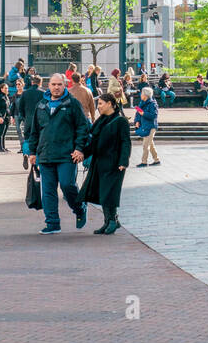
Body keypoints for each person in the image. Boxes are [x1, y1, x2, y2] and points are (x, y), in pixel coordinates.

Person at [26, 73, 90, 234]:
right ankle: (52, 223)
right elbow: (34, 131)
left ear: (65, 85)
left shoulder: (72, 104)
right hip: (45, 155)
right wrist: (32, 152)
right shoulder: (41, 105)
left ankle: (79, 208)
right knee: (47, 191)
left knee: (67, 185)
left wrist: (79, 148)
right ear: (48, 86)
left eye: (59, 84)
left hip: (67, 155)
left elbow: (82, 127)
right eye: (53, 84)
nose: (56, 87)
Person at [78, 93, 132, 234]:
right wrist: (83, 153)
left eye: (101, 103)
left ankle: (112, 221)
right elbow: (93, 142)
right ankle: (109, 221)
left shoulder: (120, 121)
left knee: (109, 193)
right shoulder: (101, 120)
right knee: (103, 192)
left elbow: (126, 142)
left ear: (110, 104)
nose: (98, 107)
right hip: (99, 162)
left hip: (114, 163)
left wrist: (123, 161)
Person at [19, 75, 44, 170]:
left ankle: (25, 153)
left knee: (27, 139)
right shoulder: (43, 93)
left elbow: (20, 108)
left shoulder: (25, 93)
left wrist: (25, 118)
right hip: (40, 121)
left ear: (32, 82)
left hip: (28, 121)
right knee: (38, 141)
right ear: (40, 83)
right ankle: (36, 164)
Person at [133, 85, 160, 166]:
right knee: (150, 144)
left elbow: (154, 116)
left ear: (146, 95)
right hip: (145, 126)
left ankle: (144, 162)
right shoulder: (141, 103)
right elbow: (137, 113)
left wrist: (143, 113)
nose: (140, 95)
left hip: (151, 126)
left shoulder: (153, 104)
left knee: (145, 145)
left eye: (141, 93)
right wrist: (137, 121)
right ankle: (157, 160)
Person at [0, 81, 12, 153]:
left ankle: (3, 147)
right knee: (0, 133)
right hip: (2, 117)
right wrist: (0, 117)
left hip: (7, 117)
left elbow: (8, 108)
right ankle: (0, 148)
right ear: (1, 89)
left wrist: (10, 116)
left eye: (7, 88)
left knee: (4, 134)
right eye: (5, 88)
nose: (6, 89)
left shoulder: (6, 97)